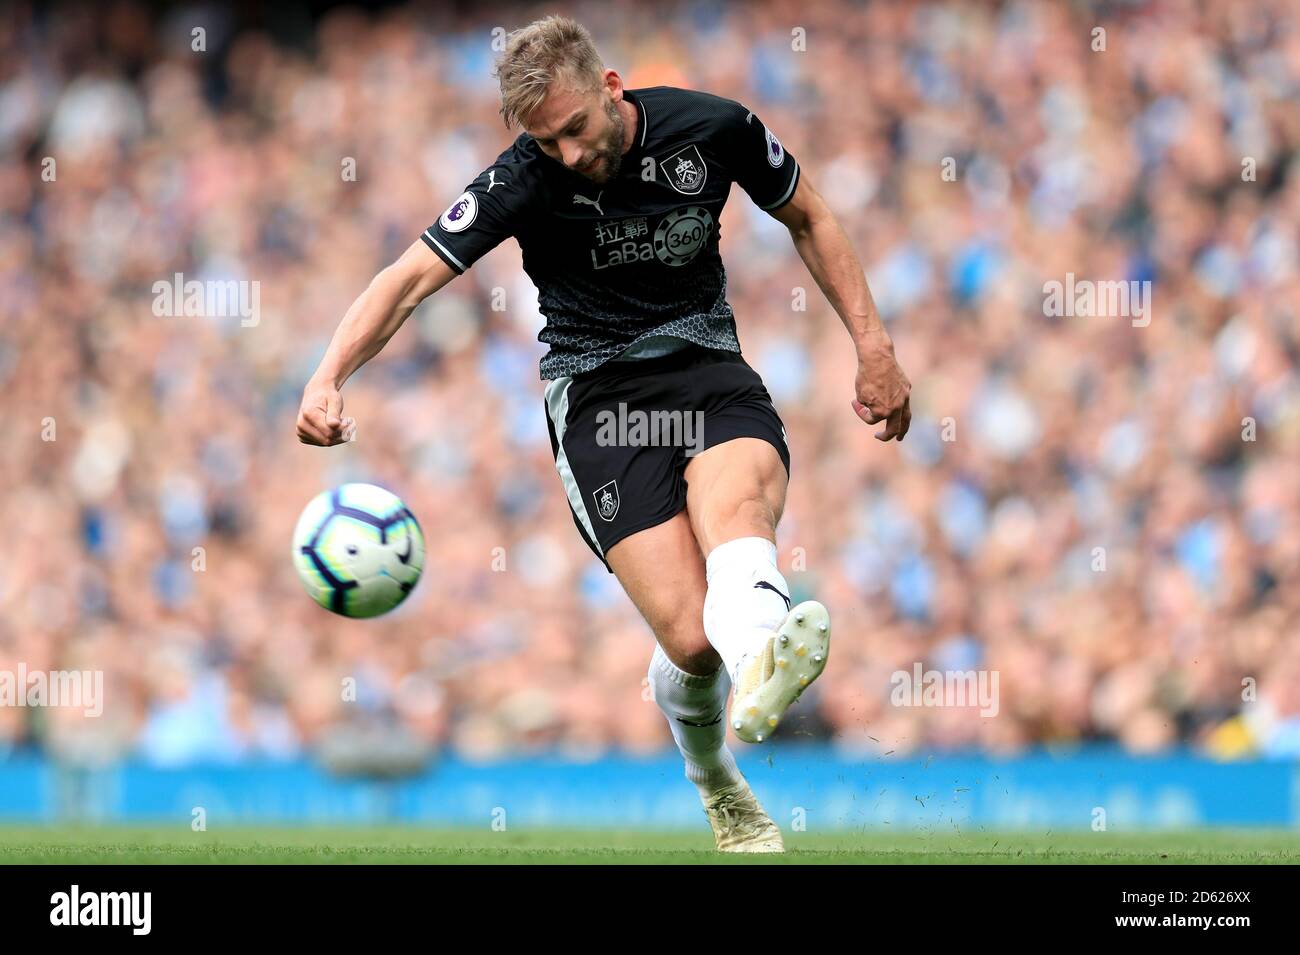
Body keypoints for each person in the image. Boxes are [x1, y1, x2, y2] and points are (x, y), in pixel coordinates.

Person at [296, 15, 910, 852]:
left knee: (737, 516)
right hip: (599, 402)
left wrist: (873, 346)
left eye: (577, 129)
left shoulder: (713, 127)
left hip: (705, 367)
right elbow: (408, 280)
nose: (571, 155)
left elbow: (811, 216)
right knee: (694, 645)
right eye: (547, 142)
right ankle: (715, 775)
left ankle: (764, 658)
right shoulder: (520, 180)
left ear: (611, 86)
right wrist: (329, 374)